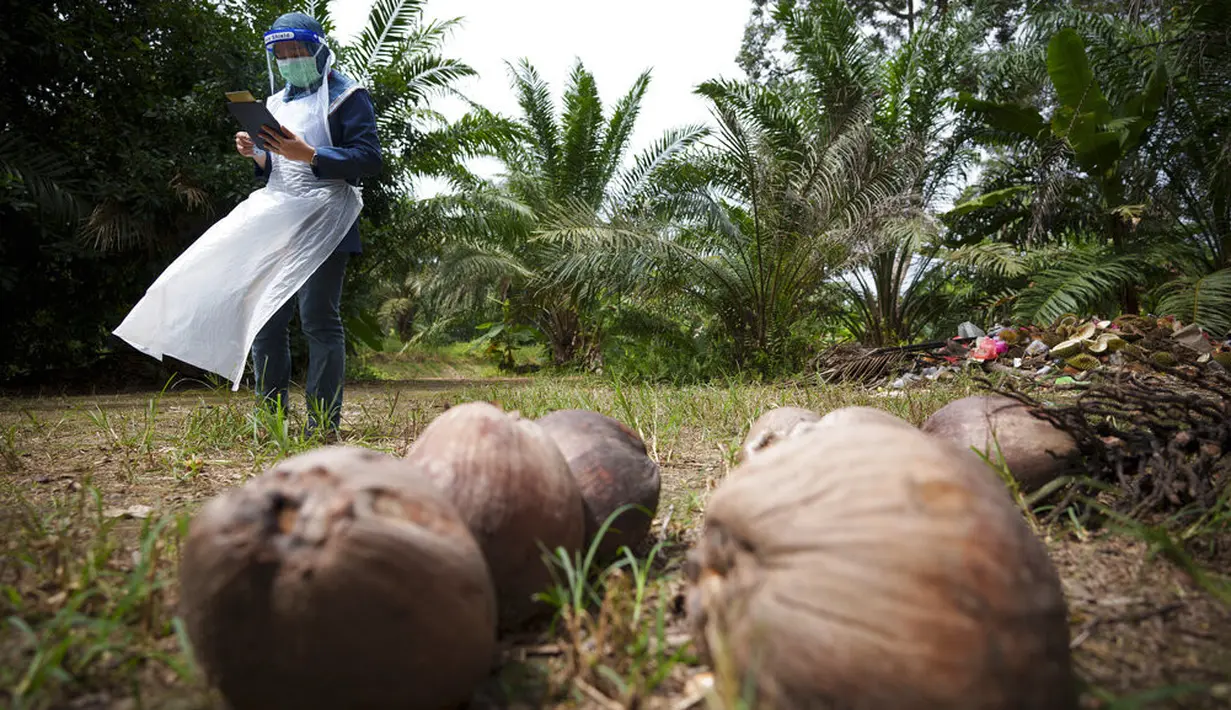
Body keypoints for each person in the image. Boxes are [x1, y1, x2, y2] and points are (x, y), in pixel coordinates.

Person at [235, 12, 382, 439]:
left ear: (319, 49)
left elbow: (369, 158)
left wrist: (314, 155)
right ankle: (271, 419)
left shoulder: (347, 95)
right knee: (266, 318)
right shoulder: (276, 102)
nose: (290, 59)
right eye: (281, 53)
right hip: (278, 218)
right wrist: (258, 154)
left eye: (298, 50)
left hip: (326, 219)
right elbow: (278, 167)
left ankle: (322, 426)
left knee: (318, 318)